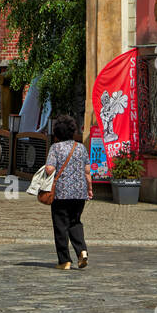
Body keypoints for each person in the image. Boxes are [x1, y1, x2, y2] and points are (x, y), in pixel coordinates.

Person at [44, 114, 92, 270]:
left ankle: (64, 260)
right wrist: (89, 189)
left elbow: (50, 169)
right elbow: (87, 171)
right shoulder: (81, 148)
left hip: (61, 193)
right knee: (75, 222)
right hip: (79, 193)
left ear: (57, 133)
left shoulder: (55, 148)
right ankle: (82, 251)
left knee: (61, 226)